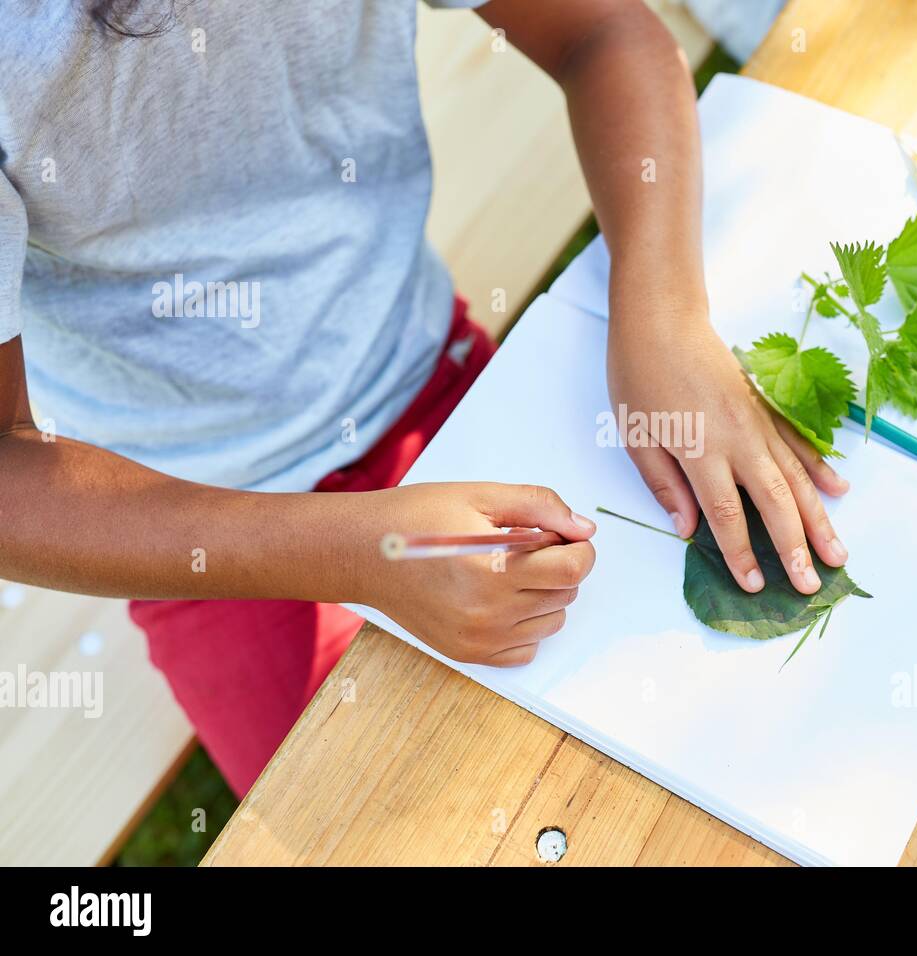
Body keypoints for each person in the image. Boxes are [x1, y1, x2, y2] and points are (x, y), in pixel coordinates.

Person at [0, 0, 849, 796]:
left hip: (429, 375)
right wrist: (359, 554)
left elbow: (603, 32)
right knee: (391, 806)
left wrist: (662, 315)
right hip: (188, 524)